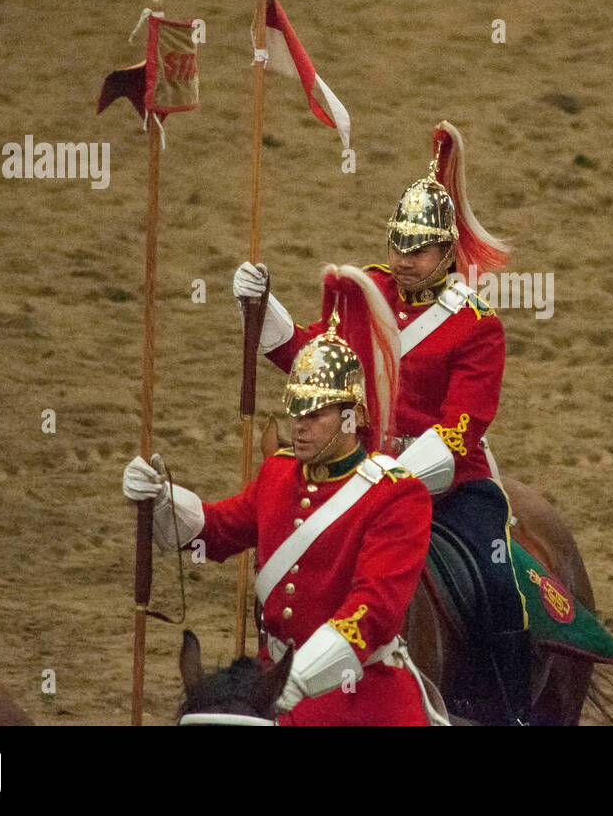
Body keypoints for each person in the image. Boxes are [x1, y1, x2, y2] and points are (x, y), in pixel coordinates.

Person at [233, 121, 532, 721]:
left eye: (416, 249)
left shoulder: (477, 326)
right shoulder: (364, 290)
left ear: (448, 253)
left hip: (450, 483)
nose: (401, 259)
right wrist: (263, 310)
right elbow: (315, 359)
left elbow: (457, 433)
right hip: (358, 472)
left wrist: (387, 476)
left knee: (500, 587)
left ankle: (509, 708)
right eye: (396, 244)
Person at [125, 265, 444, 725]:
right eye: (296, 410)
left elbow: (371, 615)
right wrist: (160, 500)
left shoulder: (397, 495)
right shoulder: (278, 474)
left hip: (359, 694)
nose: (299, 424)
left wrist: (296, 682)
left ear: (352, 417)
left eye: (315, 414)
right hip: (268, 684)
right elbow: (212, 532)